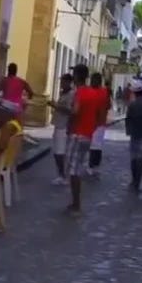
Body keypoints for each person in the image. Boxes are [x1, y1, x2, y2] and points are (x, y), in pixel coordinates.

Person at [65, 65, 100, 214]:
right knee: (77, 167)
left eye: (74, 74)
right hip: (87, 135)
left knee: (73, 170)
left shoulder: (79, 92)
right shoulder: (93, 93)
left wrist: (63, 109)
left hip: (77, 134)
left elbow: (75, 111)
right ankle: (75, 202)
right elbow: (97, 115)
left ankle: (76, 204)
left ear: (77, 76)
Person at [0, 63, 34, 129]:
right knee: (17, 130)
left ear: (8, 70)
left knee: (1, 127)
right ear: (16, 71)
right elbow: (31, 93)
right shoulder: (22, 82)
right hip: (17, 109)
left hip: (5, 108)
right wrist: (25, 100)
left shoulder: (4, 80)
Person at [48, 73, 74, 185]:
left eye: (63, 81)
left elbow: (69, 110)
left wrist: (55, 105)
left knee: (59, 153)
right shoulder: (63, 93)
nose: (61, 84)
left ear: (68, 82)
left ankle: (62, 175)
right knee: (58, 152)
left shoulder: (71, 95)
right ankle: (62, 174)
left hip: (63, 126)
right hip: (58, 125)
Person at [87, 72, 112, 177]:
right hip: (96, 122)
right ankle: (94, 166)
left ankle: (92, 165)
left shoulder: (96, 92)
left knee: (95, 146)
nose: (92, 82)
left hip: (97, 122)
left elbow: (108, 106)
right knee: (96, 145)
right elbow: (108, 106)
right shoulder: (103, 92)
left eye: (93, 80)